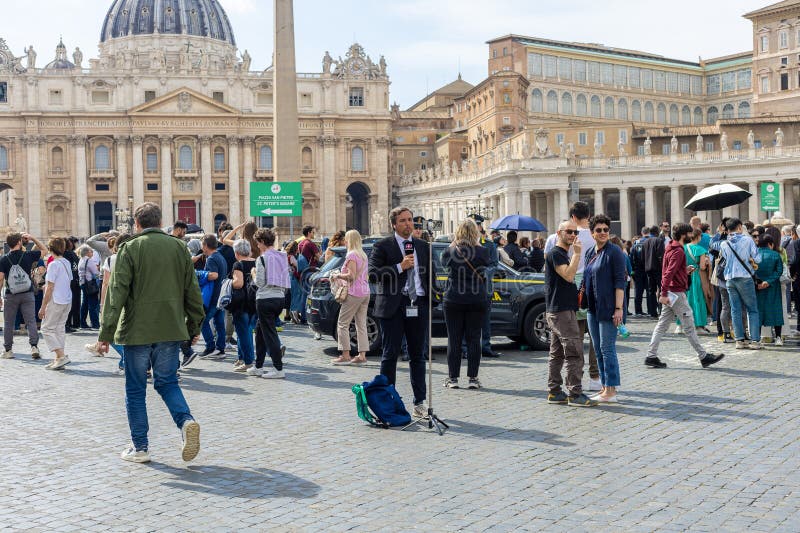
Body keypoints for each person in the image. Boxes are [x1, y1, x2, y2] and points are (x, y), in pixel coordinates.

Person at [98, 202, 205, 464]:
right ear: (160, 222)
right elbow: (192, 291)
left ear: (137, 224)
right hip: (170, 328)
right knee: (167, 382)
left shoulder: (129, 248)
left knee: (135, 389)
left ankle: (141, 447)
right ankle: (186, 421)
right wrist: (194, 327)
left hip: (137, 330)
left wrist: (106, 333)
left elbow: (116, 294)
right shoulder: (179, 248)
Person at [368, 207, 435, 419]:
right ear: (394, 224)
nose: (409, 224)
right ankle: (388, 402)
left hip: (418, 304)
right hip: (393, 307)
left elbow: (430, 274)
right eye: (403, 221)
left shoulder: (423, 246)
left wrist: (432, 296)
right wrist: (399, 266)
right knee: (390, 355)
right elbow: (373, 274)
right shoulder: (382, 246)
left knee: (418, 355)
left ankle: (419, 402)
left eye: (410, 220)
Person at [644, 223, 725, 369]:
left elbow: (670, 270)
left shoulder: (670, 247)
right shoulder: (678, 251)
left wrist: (684, 271)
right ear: (683, 235)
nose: (691, 236)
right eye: (689, 233)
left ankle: (651, 355)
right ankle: (703, 356)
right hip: (675, 293)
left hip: (671, 292)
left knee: (662, 325)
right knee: (689, 325)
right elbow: (668, 273)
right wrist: (663, 293)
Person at [545, 221, 597, 407]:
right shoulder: (556, 254)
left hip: (559, 309)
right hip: (561, 311)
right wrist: (576, 254)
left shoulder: (562, 254)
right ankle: (575, 394)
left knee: (557, 353)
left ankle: (554, 391)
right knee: (574, 351)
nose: (573, 234)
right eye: (569, 231)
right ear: (559, 233)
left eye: (575, 232)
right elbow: (568, 275)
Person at [582, 214, 627, 403]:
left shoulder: (615, 251)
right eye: (598, 230)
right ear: (592, 233)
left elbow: (620, 282)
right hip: (592, 307)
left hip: (610, 307)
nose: (602, 233)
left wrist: (619, 308)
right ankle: (603, 387)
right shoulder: (589, 252)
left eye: (606, 230)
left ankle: (611, 390)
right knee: (598, 350)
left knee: (607, 348)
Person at [441, 219, 491, 389]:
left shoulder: (451, 251)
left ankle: (453, 378)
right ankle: (473, 378)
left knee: (454, 339)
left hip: (454, 298)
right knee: (474, 339)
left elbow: (443, 261)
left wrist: (454, 242)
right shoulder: (482, 251)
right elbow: (487, 262)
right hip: (476, 299)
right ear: (475, 233)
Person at [247, 228, 290, 379]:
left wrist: (253, 272)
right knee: (260, 331)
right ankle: (258, 366)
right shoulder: (282, 256)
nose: (257, 246)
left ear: (263, 242)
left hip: (265, 299)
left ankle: (279, 369)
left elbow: (258, 282)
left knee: (269, 334)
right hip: (280, 298)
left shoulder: (262, 259)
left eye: (258, 243)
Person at [0, 232, 45, 360]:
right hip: (27, 292)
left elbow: (1, 279)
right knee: (30, 320)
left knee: (8, 323)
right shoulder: (28, 255)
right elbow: (44, 250)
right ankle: (34, 347)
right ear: (20, 242)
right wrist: (32, 238)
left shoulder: (3, 259)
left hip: (11, 294)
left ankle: (8, 350)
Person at [721, 217, 763, 350]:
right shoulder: (747, 240)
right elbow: (758, 258)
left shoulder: (724, 243)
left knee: (735, 310)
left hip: (730, 279)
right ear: (739, 227)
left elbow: (726, 260)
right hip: (745, 278)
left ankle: (739, 340)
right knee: (752, 309)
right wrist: (750, 259)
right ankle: (755, 340)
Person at [330, 230, 370, 365]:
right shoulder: (363, 255)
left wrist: (337, 276)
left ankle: (345, 355)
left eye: (346, 240)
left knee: (342, 324)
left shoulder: (352, 255)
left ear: (350, 241)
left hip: (354, 292)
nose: (345, 242)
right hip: (365, 292)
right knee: (361, 324)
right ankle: (362, 356)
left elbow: (351, 276)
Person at [38, 238, 73, 370]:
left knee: (46, 329)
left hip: (56, 300)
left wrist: (42, 307)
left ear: (51, 248)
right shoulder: (66, 262)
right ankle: (58, 359)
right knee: (59, 329)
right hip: (67, 299)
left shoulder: (53, 265)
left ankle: (61, 355)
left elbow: (50, 287)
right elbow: (66, 281)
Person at [230, 239, 257, 372]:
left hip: (241, 302)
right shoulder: (256, 261)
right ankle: (242, 358)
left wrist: (229, 282)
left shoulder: (238, 264)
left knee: (243, 332)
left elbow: (238, 283)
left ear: (236, 252)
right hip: (254, 300)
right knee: (245, 331)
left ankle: (248, 361)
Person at [199, 234, 228, 358]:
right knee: (219, 323)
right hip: (220, 296)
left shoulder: (211, 259)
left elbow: (214, 275)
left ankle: (210, 347)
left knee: (203, 321)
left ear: (206, 245)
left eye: (202, 246)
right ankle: (220, 349)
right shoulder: (220, 256)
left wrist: (201, 274)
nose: (202, 248)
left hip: (213, 296)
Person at [755, 234, 785, 345]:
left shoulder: (754, 255)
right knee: (776, 311)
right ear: (770, 244)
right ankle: (778, 338)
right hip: (773, 287)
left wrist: (758, 282)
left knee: (757, 311)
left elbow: (751, 271)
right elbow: (779, 271)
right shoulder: (776, 255)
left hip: (757, 287)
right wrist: (768, 281)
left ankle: (756, 338)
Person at [684, 229, 710, 331]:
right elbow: (703, 267)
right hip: (696, 275)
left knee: (687, 299)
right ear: (698, 236)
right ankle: (698, 323)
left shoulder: (684, 247)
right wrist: (707, 262)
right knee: (698, 299)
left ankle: (683, 324)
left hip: (685, 275)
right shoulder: (700, 249)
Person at [641, 225, 665, 318]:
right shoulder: (659, 241)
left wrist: (646, 266)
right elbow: (661, 255)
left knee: (651, 290)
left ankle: (652, 311)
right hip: (658, 268)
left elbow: (642, 257)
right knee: (662, 289)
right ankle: (661, 309)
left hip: (648, 269)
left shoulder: (645, 242)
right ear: (657, 232)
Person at [78, 245, 101, 329]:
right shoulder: (89, 260)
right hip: (90, 284)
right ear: (87, 252)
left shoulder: (81, 260)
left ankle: (83, 323)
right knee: (93, 304)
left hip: (83, 284)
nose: (92, 253)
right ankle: (95, 324)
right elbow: (96, 273)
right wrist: (100, 271)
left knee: (84, 304)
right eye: (91, 251)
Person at [630, 227, 650, 317]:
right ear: (648, 232)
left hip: (638, 270)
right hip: (649, 270)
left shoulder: (636, 243)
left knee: (638, 291)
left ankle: (638, 310)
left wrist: (633, 270)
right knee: (650, 290)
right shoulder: (651, 242)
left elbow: (632, 258)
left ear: (642, 233)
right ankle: (651, 309)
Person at [64, 237, 81, 332]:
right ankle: (69, 324)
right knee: (72, 303)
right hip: (74, 281)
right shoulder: (71, 254)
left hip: (70, 282)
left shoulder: (65, 255)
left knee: (69, 303)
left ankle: (68, 324)